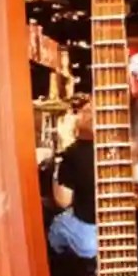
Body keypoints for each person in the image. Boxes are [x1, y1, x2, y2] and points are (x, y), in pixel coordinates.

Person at [49, 98, 97, 259]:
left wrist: (59, 158)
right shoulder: (121, 149)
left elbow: (63, 200)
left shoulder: (73, 154)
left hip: (89, 237)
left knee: (55, 228)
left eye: (82, 112)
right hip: (118, 231)